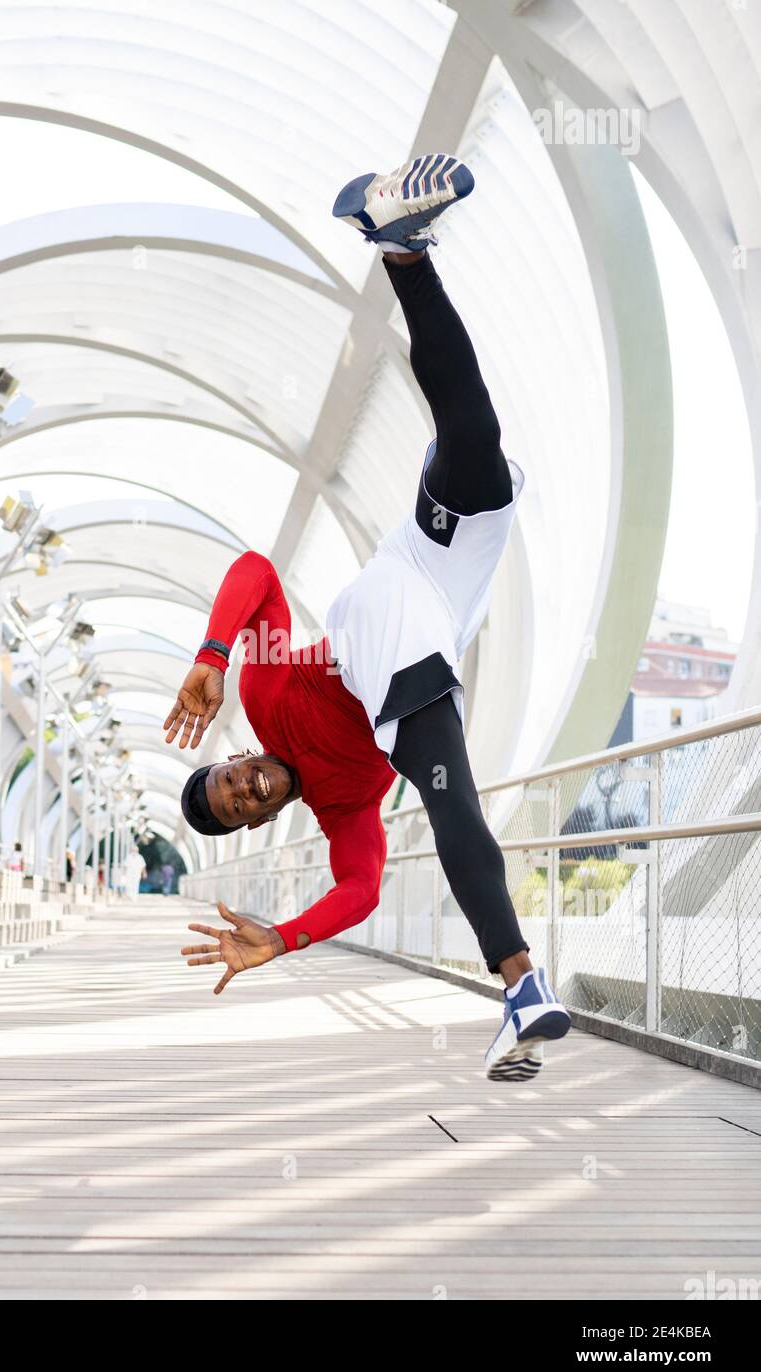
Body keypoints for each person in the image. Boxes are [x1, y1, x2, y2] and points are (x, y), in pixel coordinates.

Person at [164, 155, 572, 1083]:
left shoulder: (265, 690)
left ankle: (518, 984)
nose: (249, 788)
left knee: (447, 793)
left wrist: (215, 651)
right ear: (259, 818)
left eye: (231, 780)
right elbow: (359, 888)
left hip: (387, 612)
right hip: (448, 586)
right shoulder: (344, 810)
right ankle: (402, 251)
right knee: (476, 451)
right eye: (241, 808)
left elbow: (259, 569)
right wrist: (289, 937)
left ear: (233, 756)